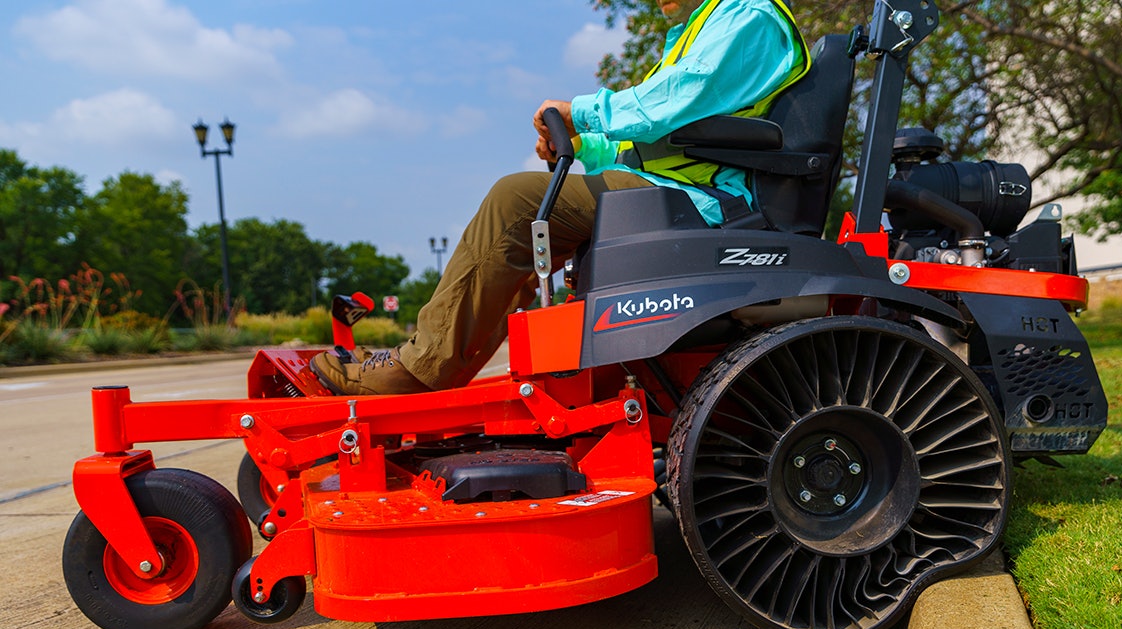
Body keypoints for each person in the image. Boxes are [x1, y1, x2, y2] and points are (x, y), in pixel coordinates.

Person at [310, 0, 810, 395]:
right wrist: (585, 144)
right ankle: (441, 366)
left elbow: (670, 102)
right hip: (676, 189)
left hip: (702, 200)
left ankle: (422, 369)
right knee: (528, 219)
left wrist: (581, 113)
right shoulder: (710, 24)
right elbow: (660, 138)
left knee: (515, 201)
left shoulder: (749, 18)